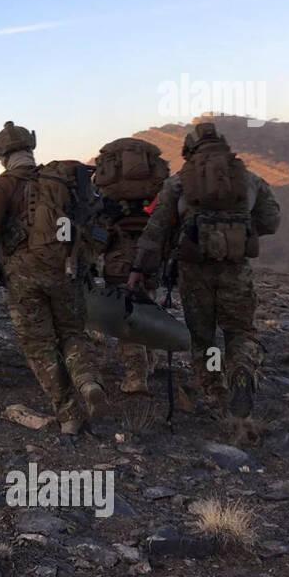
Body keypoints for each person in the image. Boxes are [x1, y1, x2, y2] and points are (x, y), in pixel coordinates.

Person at [127, 121, 280, 417]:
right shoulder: (248, 179)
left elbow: (155, 230)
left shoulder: (178, 182)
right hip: (236, 269)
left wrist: (139, 269)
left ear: (189, 149)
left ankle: (215, 392)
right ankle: (242, 370)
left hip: (194, 270)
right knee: (239, 331)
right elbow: (271, 221)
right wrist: (236, 234)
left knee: (203, 336)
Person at [0, 121, 108, 434]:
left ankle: (68, 413)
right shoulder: (60, 179)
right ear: (30, 149)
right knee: (72, 333)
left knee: (39, 344)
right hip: (67, 270)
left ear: (1, 155)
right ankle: (88, 381)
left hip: (23, 276)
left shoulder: (1, 185)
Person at [91, 137, 171, 393]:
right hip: (152, 259)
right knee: (148, 306)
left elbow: (98, 236)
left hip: (119, 262)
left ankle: (136, 375)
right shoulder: (153, 197)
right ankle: (150, 362)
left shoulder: (109, 201)